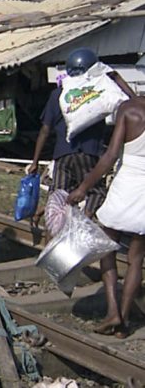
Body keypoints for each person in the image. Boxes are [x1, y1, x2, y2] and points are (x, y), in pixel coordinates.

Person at [67, 96, 145, 338]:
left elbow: (110, 156)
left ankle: (113, 313)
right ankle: (124, 321)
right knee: (136, 259)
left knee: (107, 250)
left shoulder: (130, 108)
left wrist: (83, 188)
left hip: (127, 184)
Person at [28, 48, 135, 218]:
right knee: (95, 192)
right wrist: (114, 76)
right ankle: (85, 222)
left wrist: (35, 162)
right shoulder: (98, 94)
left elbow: (45, 130)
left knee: (56, 200)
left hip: (62, 156)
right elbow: (133, 102)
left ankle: (52, 237)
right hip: (89, 154)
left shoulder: (58, 94)